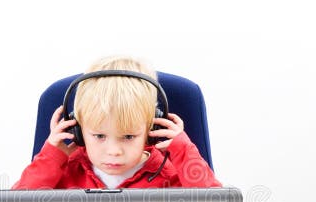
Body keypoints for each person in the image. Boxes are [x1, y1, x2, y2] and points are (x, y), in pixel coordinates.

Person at [12, 55, 221, 189]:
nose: (114, 151)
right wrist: (52, 157)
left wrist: (183, 151)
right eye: (99, 136)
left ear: (151, 129)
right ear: (78, 130)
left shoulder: (167, 174)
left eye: (128, 136)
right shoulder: (66, 171)